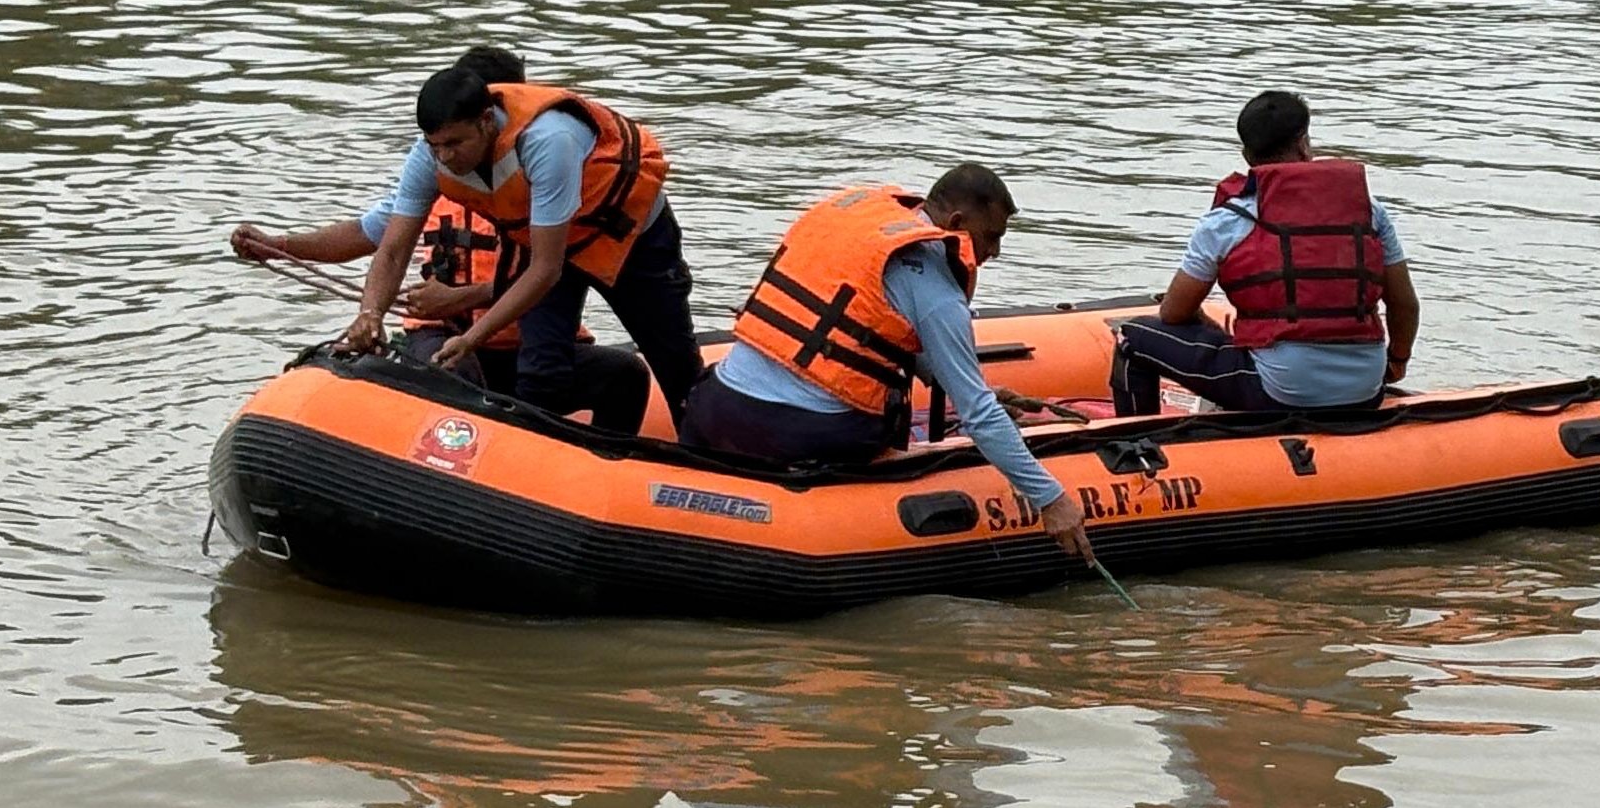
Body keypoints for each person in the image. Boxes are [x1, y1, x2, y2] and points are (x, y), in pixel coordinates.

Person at [680, 166, 1095, 564]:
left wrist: (976, 387)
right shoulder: (937, 290)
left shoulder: (859, 224)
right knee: (890, 404)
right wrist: (1051, 500)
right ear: (956, 222)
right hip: (795, 436)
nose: (994, 252)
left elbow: (855, 329)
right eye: (992, 237)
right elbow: (980, 416)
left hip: (711, 409)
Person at [338, 44, 706, 423]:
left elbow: (545, 270)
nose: (445, 157)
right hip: (547, 240)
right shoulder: (428, 156)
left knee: (675, 365)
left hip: (626, 238)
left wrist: (471, 338)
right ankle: (540, 454)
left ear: (486, 122)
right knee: (541, 376)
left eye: (455, 144)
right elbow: (393, 248)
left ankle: (705, 438)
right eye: (436, 146)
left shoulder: (546, 141)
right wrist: (371, 312)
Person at [1110, 88, 1417, 418]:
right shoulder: (1369, 211)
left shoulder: (1227, 221)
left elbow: (1174, 314)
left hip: (1277, 392)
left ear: (1247, 156)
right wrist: (1396, 362)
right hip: (1365, 389)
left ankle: (1136, 441)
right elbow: (1404, 304)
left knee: (1131, 337)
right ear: (1304, 144)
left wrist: (1215, 333)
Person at [229, 204, 653, 432]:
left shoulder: (545, 196)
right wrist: (280, 245)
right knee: (453, 378)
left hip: (531, 348)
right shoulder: (426, 190)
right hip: (443, 338)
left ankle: (598, 478)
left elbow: (557, 274)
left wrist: (461, 297)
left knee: (626, 376)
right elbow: (363, 234)